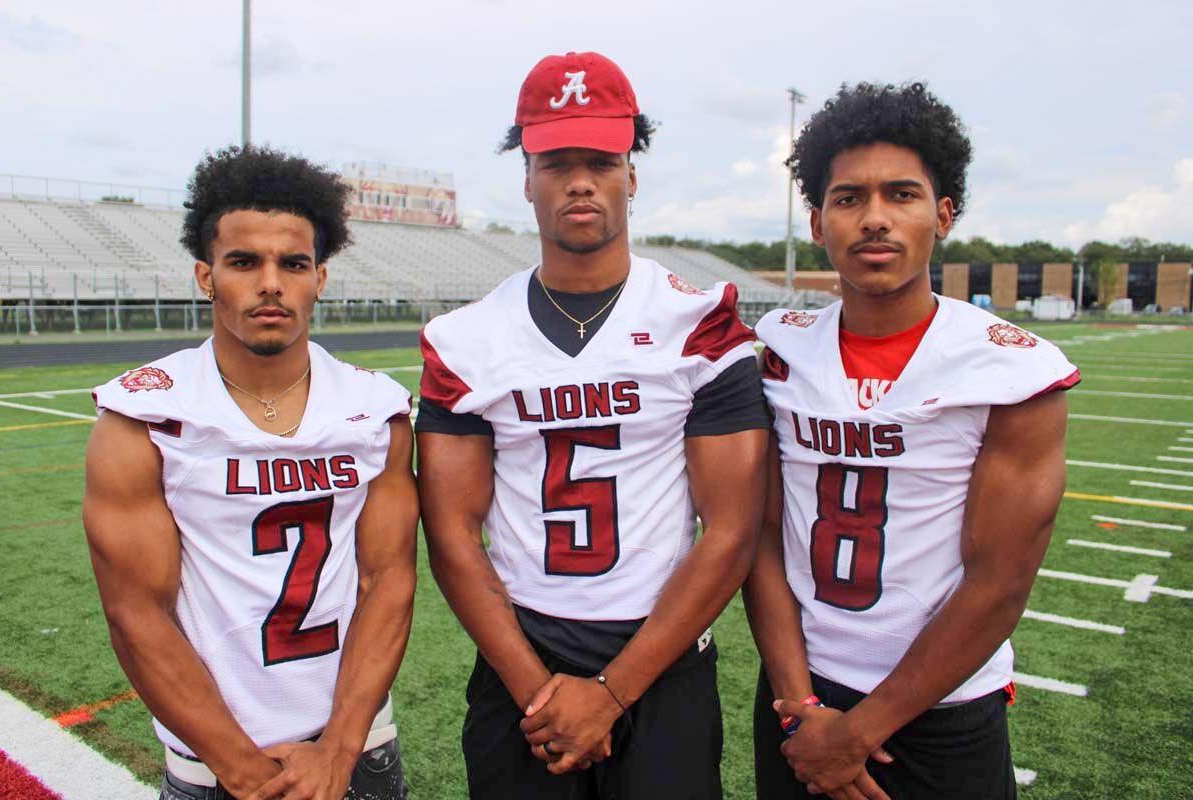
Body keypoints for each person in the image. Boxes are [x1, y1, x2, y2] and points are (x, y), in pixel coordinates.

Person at [415, 51, 769, 799]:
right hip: (523, 652)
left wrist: (612, 691)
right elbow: (452, 530)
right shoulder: (467, 340)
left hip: (662, 657)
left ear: (631, 176)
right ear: (527, 179)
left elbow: (732, 527)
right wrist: (539, 690)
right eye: (556, 162)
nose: (580, 181)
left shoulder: (699, 323)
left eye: (601, 161)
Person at [746, 82, 1079, 800]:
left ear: (943, 214)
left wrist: (858, 735)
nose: (874, 220)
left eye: (901, 194)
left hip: (941, 709)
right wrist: (802, 708)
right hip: (800, 695)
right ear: (815, 221)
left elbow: (1000, 582)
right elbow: (762, 537)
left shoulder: (1012, 369)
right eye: (848, 198)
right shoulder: (779, 349)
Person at [82, 145, 416, 800]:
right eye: (244, 262)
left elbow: (389, 579)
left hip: (359, 746)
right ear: (205, 276)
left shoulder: (376, 410)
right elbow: (135, 613)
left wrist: (340, 749)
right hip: (214, 766)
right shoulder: (143, 415)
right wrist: (237, 765)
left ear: (320, 278)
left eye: (293, 263)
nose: (270, 283)